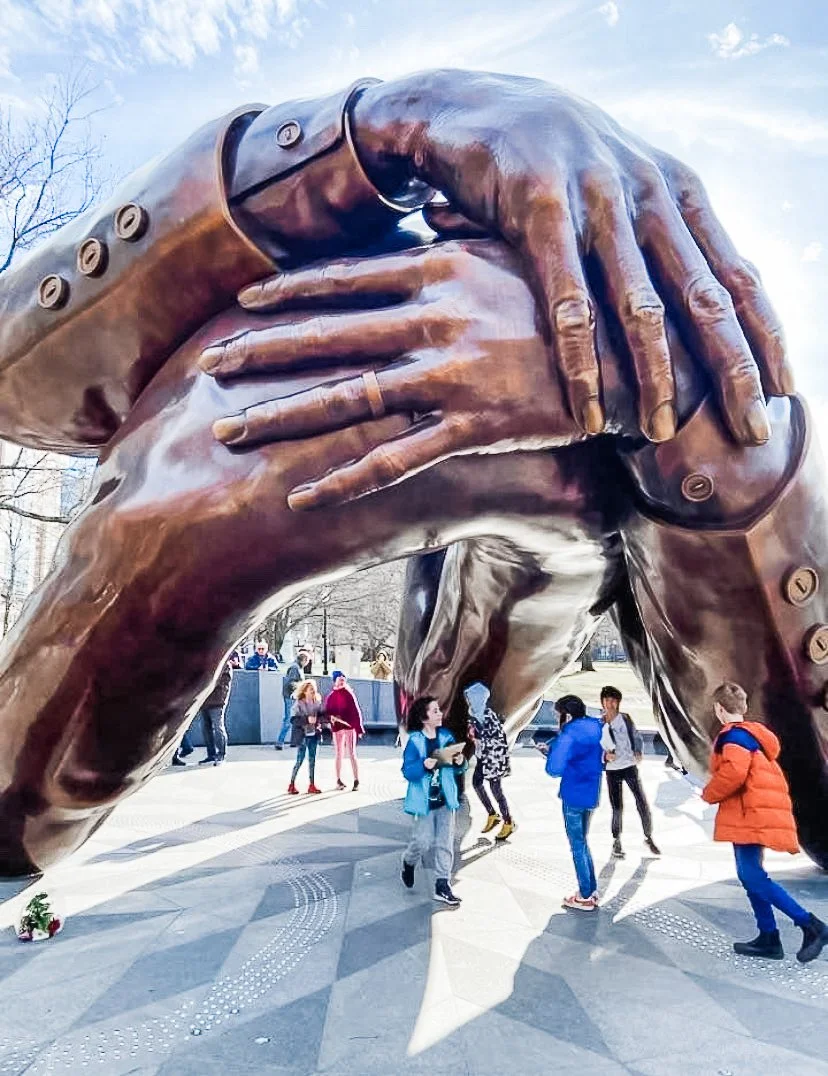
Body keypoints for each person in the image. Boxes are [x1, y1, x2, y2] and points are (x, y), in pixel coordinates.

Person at [701, 682, 828, 963]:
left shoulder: (733, 738)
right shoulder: (754, 736)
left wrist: (709, 793)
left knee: (752, 876)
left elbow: (734, 773)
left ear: (720, 709)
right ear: (743, 708)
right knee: (752, 876)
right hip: (752, 814)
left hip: (749, 815)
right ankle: (768, 937)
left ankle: (811, 925)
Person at [400, 695, 466, 906]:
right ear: (424, 716)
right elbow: (408, 771)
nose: (440, 714)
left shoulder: (446, 736)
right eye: (435, 710)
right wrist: (423, 765)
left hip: (446, 800)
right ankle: (408, 861)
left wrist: (460, 761)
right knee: (422, 841)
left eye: (439, 710)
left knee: (445, 843)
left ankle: (442, 885)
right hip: (424, 802)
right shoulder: (415, 741)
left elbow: (459, 768)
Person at [544, 695, 604, 911]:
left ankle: (585, 895)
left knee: (577, 845)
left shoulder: (569, 732)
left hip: (573, 795)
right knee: (583, 841)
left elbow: (554, 769)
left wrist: (550, 753)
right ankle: (591, 889)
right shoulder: (597, 726)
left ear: (566, 714)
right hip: (591, 793)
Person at [599, 686, 660, 858]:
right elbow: (595, 746)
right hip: (612, 770)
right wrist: (604, 756)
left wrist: (638, 750)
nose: (610, 704)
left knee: (641, 801)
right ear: (602, 702)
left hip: (629, 766)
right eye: (607, 700)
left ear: (618, 702)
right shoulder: (600, 723)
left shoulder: (625, 718)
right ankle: (616, 840)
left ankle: (648, 836)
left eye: (613, 700)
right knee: (617, 807)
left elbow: (636, 736)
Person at [464, 682, 514, 841]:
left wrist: (478, 739)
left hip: (493, 759)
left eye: (470, 698)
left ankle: (508, 822)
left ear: (477, 699)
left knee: (496, 790)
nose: (468, 700)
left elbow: (497, 740)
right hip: (482, 757)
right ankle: (493, 814)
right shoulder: (473, 713)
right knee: (477, 783)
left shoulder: (488, 716)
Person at [325, 671, 365, 791]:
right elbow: (327, 711)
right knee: (339, 753)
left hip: (349, 726)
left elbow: (356, 711)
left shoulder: (349, 694)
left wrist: (359, 728)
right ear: (335, 681)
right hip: (337, 727)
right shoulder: (331, 696)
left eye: (343, 679)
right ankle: (338, 779)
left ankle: (356, 780)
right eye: (339, 678)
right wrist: (330, 717)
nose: (342, 680)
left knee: (352, 752)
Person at [287, 679, 325, 795]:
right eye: (311, 690)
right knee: (300, 760)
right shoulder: (298, 703)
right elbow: (293, 719)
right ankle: (292, 784)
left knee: (312, 760)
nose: (313, 692)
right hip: (303, 736)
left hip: (314, 735)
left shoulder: (317, 702)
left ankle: (311, 785)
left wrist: (321, 720)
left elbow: (322, 716)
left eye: (314, 689)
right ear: (305, 691)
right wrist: (306, 720)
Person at [196, 656, 233, 766]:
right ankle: (211, 754)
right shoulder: (207, 663)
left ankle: (221, 755)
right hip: (205, 701)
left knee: (218, 727)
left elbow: (223, 683)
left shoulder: (225, 665)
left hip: (217, 701)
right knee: (205, 728)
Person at [276, 648, 310, 751]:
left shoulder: (296, 667)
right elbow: (291, 683)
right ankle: (280, 742)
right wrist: (302, 686)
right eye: (307, 661)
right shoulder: (295, 668)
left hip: (293, 696)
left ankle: (294, 741)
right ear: (304, 660)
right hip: (291, 696)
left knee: (295, 719)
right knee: (288, 719)